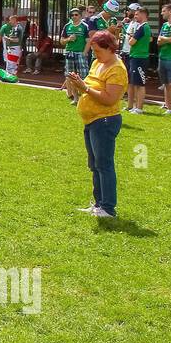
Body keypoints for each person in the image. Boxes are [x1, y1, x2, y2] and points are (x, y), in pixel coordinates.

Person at [67, 30, 126, 219]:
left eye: (98, 51)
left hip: (105, 121)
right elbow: (90, 87)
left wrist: (85, 88)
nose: (95, 55)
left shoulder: (117, 69)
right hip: (92, 120)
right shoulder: (97, 63)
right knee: (95, 164)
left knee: (104, 164)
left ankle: (108, 207)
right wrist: (78, 83)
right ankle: (99, 204)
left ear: (110, 49)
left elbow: (110, 99)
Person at [124, 6, 151, 114]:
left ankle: (139, 108)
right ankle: (135, 107)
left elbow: (131, 42)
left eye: (137, 14)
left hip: (140, 58)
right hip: (136, 57)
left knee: (140, 84)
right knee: (135, 83)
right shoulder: (142, 27)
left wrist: (131, 37)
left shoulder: (143, 27)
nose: (135, 16)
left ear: (143, 15)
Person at [60, 8, 91, 103]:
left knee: (83, 76)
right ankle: (75, 98)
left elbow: (88, 41)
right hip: (69, 52)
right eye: (72, 15)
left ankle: (85, 97)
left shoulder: (84, 26)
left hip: (80, 53)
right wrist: (69, 39)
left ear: (80, 16)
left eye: (76, 15)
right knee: (71, 76)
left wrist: (84, 53)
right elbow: (61, 41)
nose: (74, 16)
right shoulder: (67, 26)